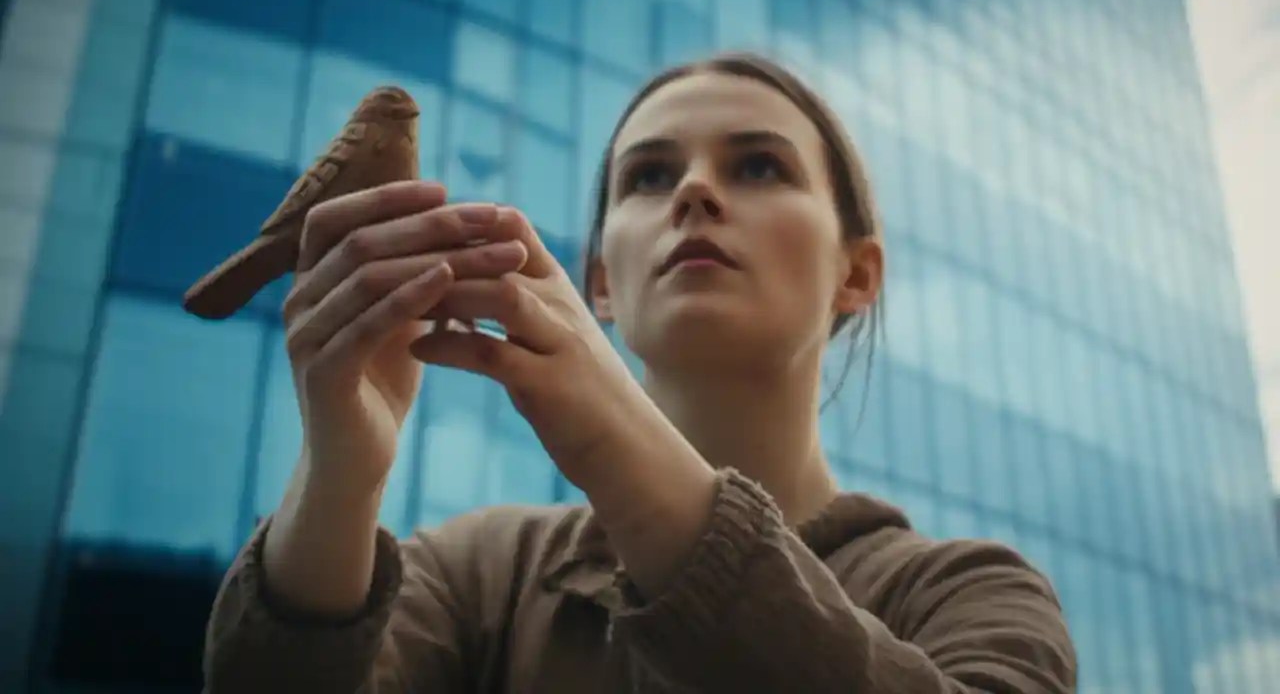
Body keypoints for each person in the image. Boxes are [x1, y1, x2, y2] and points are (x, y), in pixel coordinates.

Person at [203, 52, 1076, 693]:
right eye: (649, 175)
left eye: (759, 165)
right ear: (602, 284)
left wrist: (608, 430)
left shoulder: (969, 595)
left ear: (857, 273)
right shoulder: (479, 573)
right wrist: (340, 475)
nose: (695, 191)